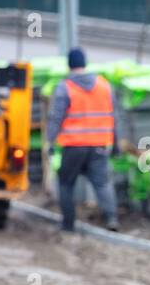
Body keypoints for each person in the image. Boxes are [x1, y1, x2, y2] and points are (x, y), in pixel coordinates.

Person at [46, 47, 124, 231]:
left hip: (73, 146)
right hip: (99, 144)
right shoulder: (104, 85)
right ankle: (112, 218)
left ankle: (68, 224)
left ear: (69, 65)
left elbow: (56, 117)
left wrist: (50, 141)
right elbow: (114, 116)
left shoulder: (65, 87)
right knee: (102, 183)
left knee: (65, 184)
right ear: (85, 63)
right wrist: (116, 144)